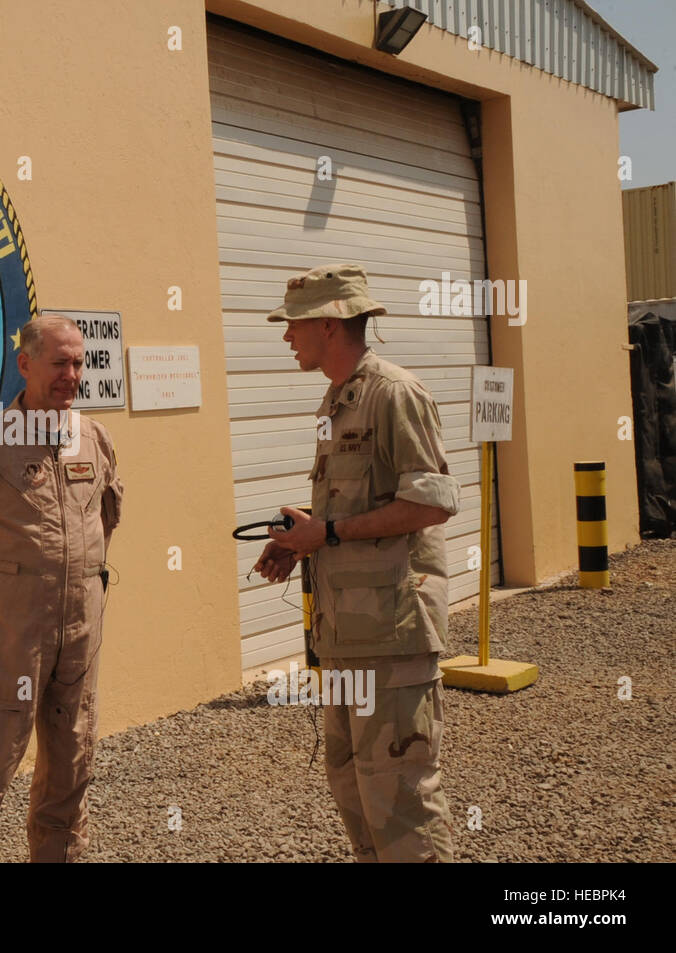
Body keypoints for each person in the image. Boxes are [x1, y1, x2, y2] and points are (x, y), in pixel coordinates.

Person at [253, 263, 460, 862]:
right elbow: (354, 510)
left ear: (328, 324)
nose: (287, 337)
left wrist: (332, 532)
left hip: (392, 634)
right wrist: (303, 539)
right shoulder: (337, 398)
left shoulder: (395, 393)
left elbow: (432, 502)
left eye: (294, 326)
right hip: (346, 636)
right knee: (353, 787)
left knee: (401, 798)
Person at [0, 313, 123, 862]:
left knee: (70, 765)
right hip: (8, 637)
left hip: (80, 634)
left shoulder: (94, 438)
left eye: (79, 362)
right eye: (59, 362)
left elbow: (103, 527)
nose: (72, 374)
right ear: (25, 364)